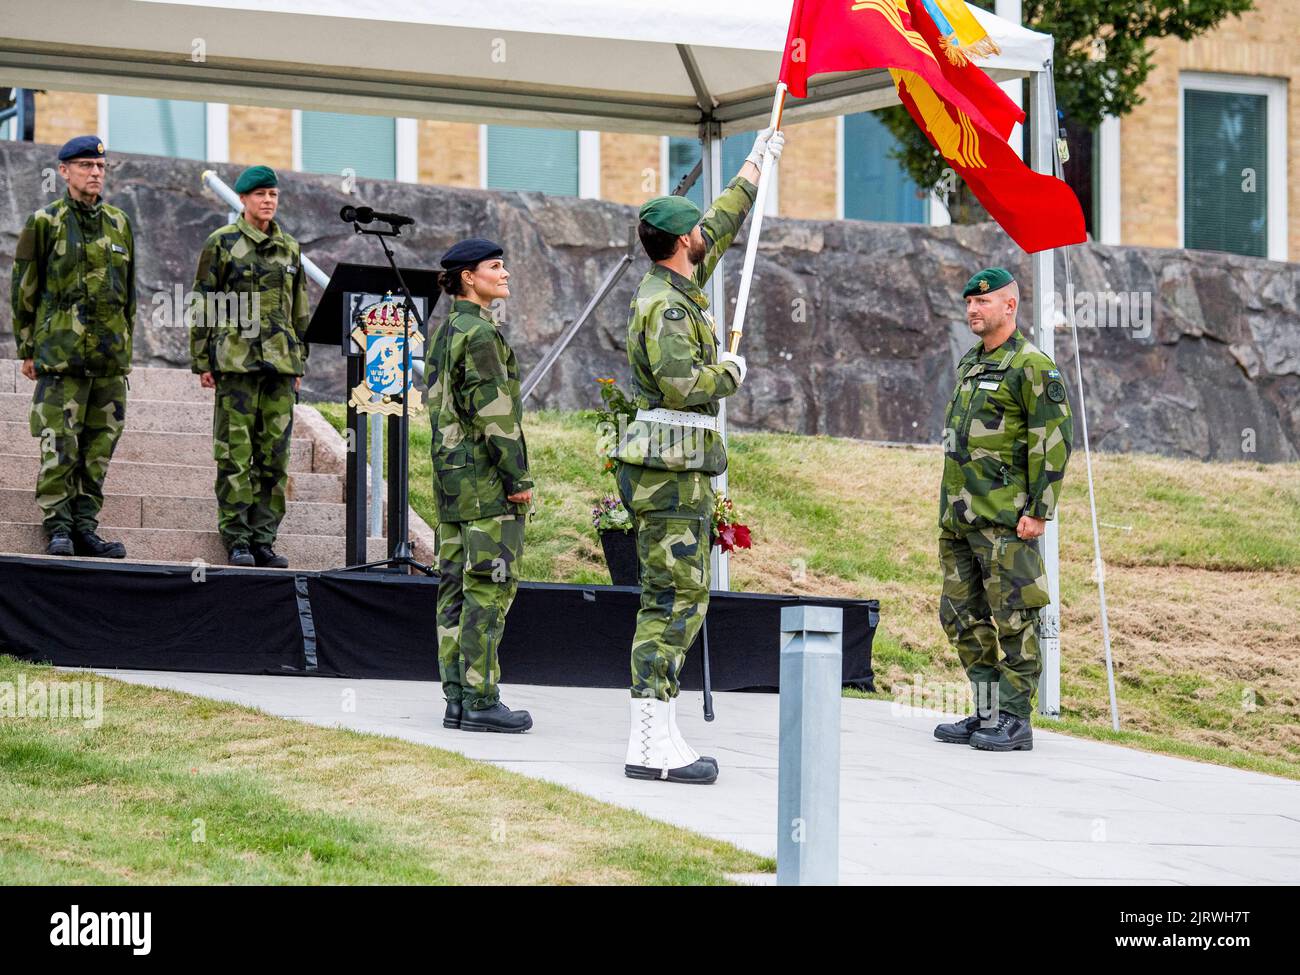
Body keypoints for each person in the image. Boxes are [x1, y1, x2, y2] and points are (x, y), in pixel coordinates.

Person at [615, 127, 785, 783]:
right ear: (681, 243)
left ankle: (659, 729)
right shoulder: (664, 307)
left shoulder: (677, 283)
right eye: (697, 234)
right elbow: (683, 384)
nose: (704, 238)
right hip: (667, 474)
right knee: (672, 601)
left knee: (680, 598)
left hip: (678, 469)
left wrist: (752, 167)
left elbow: (722, 223)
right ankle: (650, 738)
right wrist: (729, 376)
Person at [932, 267, 1073, 751]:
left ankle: (1015, 719)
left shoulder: (1033, 367)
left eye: (984, 301)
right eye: (969, 301)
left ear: (1010, 306)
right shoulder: (973, 364)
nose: (973, 309)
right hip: (959, 519)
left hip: (1006, 521)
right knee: (960, 615)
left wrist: (1039, 511)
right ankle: (988, 708)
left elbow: (1053, 443)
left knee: (1014, 617)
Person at [427, 238, 534, 734]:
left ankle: (456, 698)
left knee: (453, 590)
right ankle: (482, 699)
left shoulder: (445, 329)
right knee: (489, 591)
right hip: (487, 484)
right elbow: (495, 413)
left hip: (451, 483)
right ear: (469, 277)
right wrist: (518, 478)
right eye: (496, 266)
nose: (505, 273)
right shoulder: (481, 335)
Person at [11, 135, 134, 559]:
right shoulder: (44, 222)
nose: (94, 173)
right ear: (63, 172)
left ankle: (86, 527)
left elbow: (128, 294)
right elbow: (25, 288)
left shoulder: (119, 223)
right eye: (85, 166)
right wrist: (28, 347)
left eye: (100, 167)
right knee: (59, 445)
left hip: (108, 360)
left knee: (98, 448)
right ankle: (58, 526)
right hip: (60, 355)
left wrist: (124, 349)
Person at [189, 165, 309, 568]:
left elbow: (300, 310)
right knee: (235, 455)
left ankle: (264, 539)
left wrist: (298, 362)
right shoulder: (221, 243)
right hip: (235, 364)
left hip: (280, 366)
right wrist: (202, 358)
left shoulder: (289, 248)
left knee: (274, 458)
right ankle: (237, 538)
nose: (268, 201)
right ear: (242, 199)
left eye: (273, 194)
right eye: (260, 194)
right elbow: (203, 300)